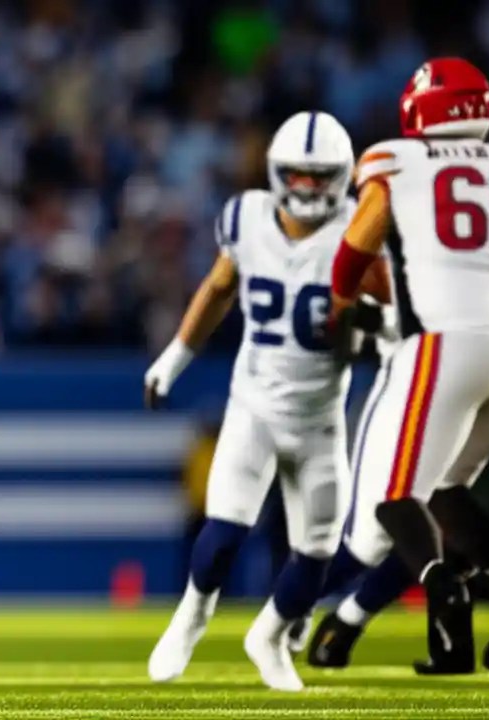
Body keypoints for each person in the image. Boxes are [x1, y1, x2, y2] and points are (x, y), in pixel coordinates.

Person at [143, 111, 390, 692]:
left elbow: (393, 319)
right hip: (253, 407)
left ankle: (271, 636)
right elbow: (219, 288)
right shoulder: (246, 218)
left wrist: (365, 320)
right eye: (297, 175)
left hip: (322, 418)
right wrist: (174, 358)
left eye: (320, 176)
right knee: (223, 533)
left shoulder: (359, 228)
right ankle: (192, 616)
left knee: (317, 555)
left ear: (343, 177)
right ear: (278, 173)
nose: (307, 187)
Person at [286, 56, 489, 680]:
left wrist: (342, 305)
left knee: (392, 497)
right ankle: (442, 628)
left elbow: (356, 247)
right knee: (445, 490)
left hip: (444, 344)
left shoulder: (394, 161)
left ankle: (443, 592)